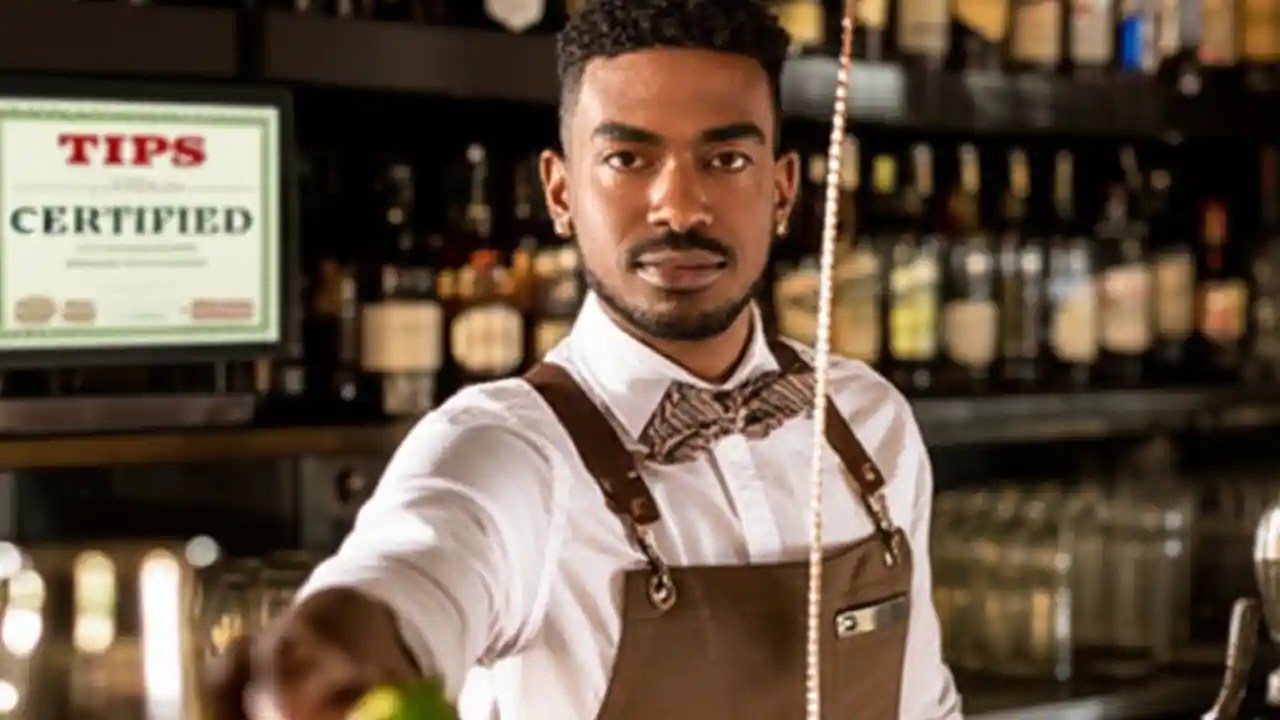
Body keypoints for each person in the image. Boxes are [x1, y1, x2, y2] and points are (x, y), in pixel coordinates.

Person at [209, 0, 964, 718]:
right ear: (561, 191)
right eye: (629, 159)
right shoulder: (507, 450)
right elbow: (410, 572)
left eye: (727, 158)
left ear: (783, 189)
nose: (679, 207)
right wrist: (340, 642)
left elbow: (924, 707)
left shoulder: (871, 423)